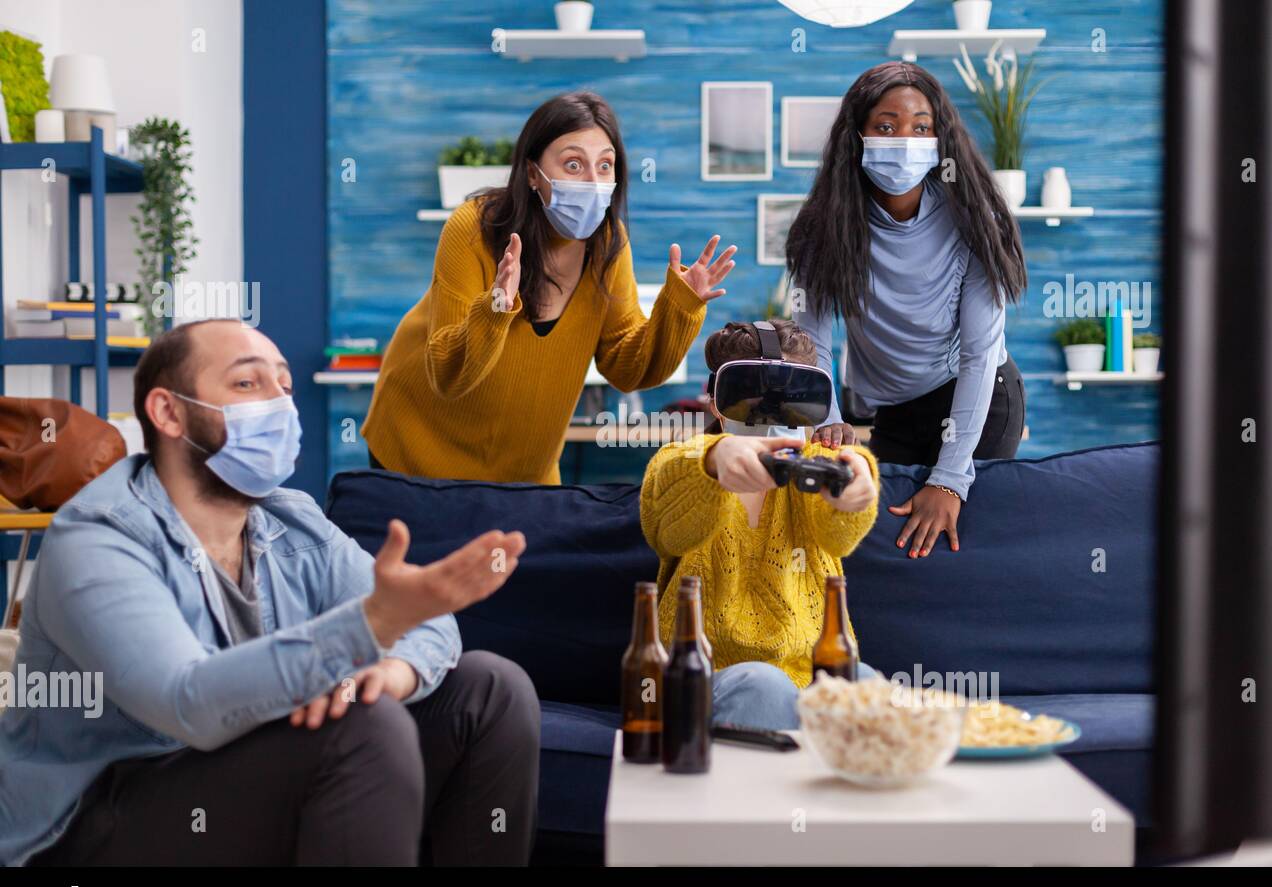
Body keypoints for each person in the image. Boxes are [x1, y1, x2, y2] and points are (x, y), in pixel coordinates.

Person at [0, 319, 539, 866]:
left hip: (236, 779)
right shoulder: (96, 537)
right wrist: (369, 628)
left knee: (490, 690)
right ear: (168, 412)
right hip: (92, 827)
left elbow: (428, 622)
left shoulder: (291, 518)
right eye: (246, 384)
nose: (280, 403)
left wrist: (389, 674)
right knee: (362, 730)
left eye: (283, 383)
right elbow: (186, 701)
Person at [362, 90, 735, 483]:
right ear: (531, 174)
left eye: (605, 165)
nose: (593, 181)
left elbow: (628, 370)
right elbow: (449, 376)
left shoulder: (609, 243)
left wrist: (680, 305)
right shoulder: (473, 229)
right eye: (573, 164)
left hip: (524, 468)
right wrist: (495, 308)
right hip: (417, 449)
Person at [787, 60, 1029, 560]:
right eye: (886, 125)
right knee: (886, 542)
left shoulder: (973, 221)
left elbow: (979, 358)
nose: (904, 138)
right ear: (857, 135)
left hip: (978, 401)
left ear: (941, 140)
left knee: (955, 544)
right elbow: (811, 344)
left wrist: (949, 480)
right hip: (894, 410)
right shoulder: (822, 229)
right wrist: (827, 419)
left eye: (921, 127)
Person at [639, 320, 880, 731]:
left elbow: (839, 534)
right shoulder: (681, 462)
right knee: (764, 686)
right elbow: (672, 525)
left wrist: (858, 482)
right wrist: (714, 460)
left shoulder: (816, 468)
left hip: (812, 674)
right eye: (753, 397)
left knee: (869, 687)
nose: (770, 414)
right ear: (717, 400)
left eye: (790, 399)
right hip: (698, 680)